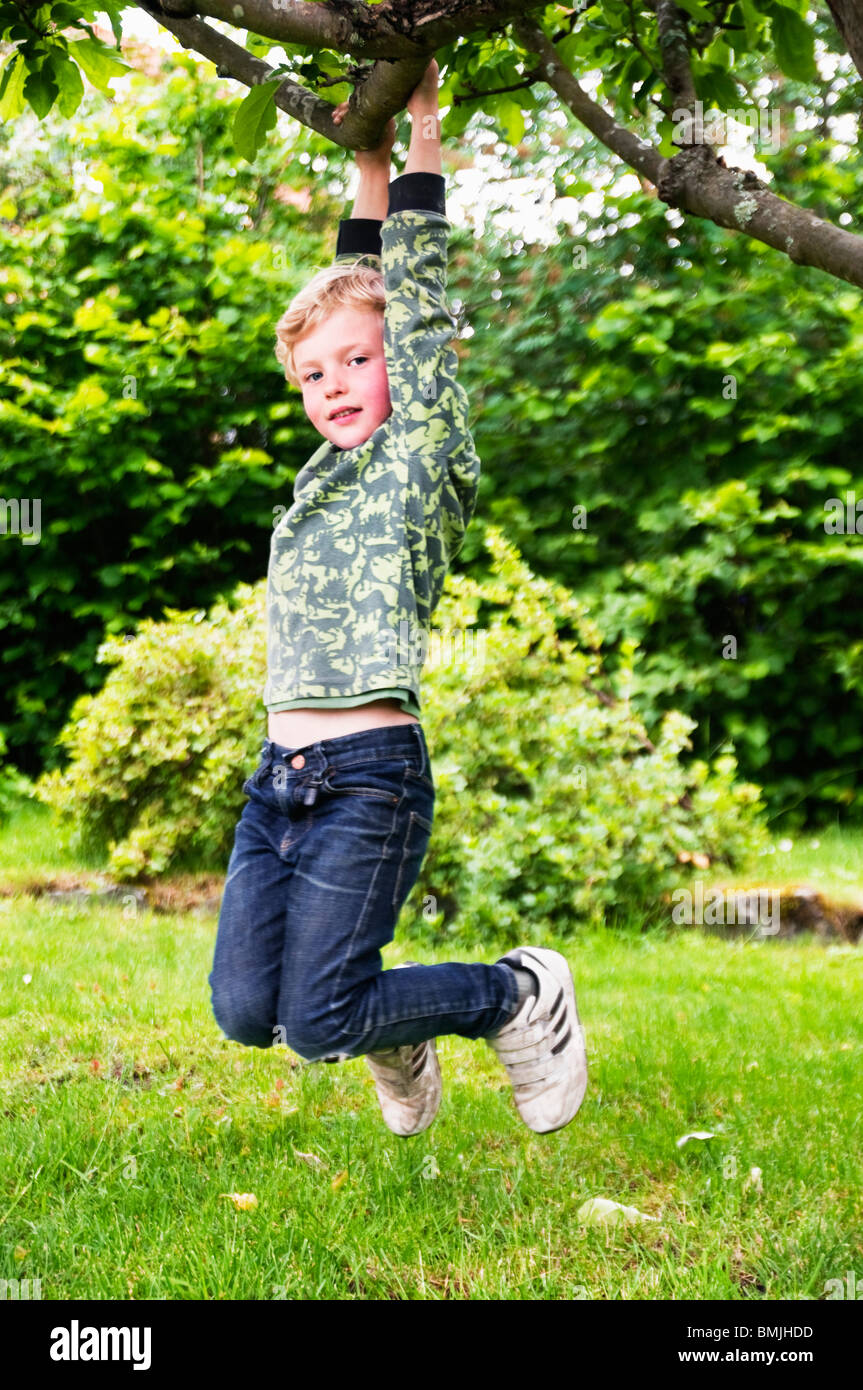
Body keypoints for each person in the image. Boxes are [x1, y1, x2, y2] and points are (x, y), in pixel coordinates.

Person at [209, 59, 588, 1137]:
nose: (331, 384)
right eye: (312, 374)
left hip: (368, 779)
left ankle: (515, 993)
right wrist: (363, 164)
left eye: (355, 364)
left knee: (318, 1019)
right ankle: (392, 1025)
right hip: (275, 783)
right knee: (248, 1013)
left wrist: (419, 128)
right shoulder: (321, 473)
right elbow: (354, 288)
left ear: (402, 369)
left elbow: (402, 298)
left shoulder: (421, 451)